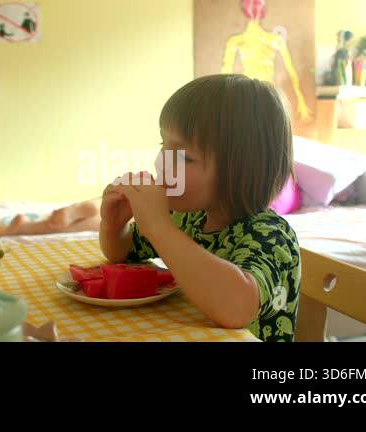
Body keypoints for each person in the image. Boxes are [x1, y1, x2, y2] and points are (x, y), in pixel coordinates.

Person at [99, 74, 301, 342]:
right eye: (163, 145)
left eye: (183, 156)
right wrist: (113, 225)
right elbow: (122, 253)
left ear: (238, 171)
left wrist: (158, 227)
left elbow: (237, 308)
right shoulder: (188, 218)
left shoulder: (270, 236)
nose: (161, 163)